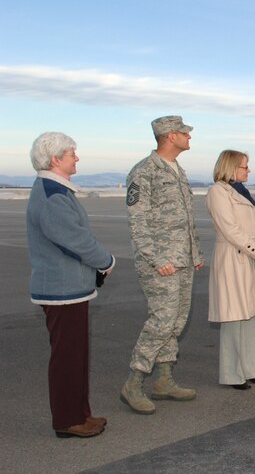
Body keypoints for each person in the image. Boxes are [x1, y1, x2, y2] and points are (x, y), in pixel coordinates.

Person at [27, 132, 115, 438]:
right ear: (55, 159)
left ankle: (80, 413)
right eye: (71, 153)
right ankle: (67, 420)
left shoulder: (55, 191)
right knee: (67, 357)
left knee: (75, 355)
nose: (76, 157)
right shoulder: (52, 194)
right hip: (61, 289)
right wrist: (106, 261)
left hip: (70, 287)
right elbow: (74, 239)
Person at [121, 115, 205, 415]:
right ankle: (134, 382)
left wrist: (194, 253)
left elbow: (184, 218)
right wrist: (157, 260)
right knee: (162, 321)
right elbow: (138, 222)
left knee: (177, 320)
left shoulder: (177, 170)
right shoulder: (145, 171)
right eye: (185, 133)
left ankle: (165, 380)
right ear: (170, 135)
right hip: (160, 263)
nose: (189, 138)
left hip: (181, 260)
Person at [206, 151, 255, 390]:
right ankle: (232, 374)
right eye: (245, 167)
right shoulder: (218, 192)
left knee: (249, 317)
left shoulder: (242, 191)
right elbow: (230, 229)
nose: (248, 170)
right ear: (231, 168)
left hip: (248, 258)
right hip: (233, 258)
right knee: (234, 319)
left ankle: (250, 370)